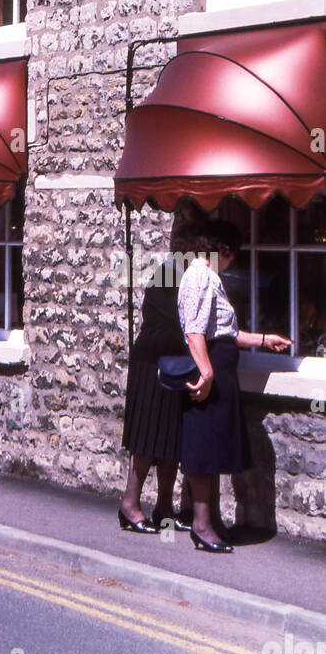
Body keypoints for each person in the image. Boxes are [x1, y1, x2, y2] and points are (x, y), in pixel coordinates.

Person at [178, 219, 292, 553]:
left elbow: (225, 331)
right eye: (232, 255)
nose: (232, 262)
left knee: (213, 449)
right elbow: (195, 332)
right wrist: (207, 373)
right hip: (212, 369)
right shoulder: (201, 275)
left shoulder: (208, 276)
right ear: (223, 251)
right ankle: (201, 525)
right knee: (204, 449)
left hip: (219, 367)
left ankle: (211, 522)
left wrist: (263, 339)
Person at [119, 223, 194, 534]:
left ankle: (164, 507)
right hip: (153, 363)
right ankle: (130, 504)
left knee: (170, 440)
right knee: (146, 439)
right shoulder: (168, 272)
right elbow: (173, 322)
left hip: (174, 363)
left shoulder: (186, 275)